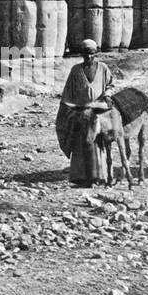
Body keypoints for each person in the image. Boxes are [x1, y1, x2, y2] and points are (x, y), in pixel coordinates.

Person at [55, 38, 115, 186]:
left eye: (91, 54)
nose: (88, 57)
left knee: (96, 143)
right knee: (81, 144)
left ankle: (97, 177)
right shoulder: (76, 70)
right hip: (81, 113)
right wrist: (69, 109)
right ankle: (80, 177)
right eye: (85, 54)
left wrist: (107, 95)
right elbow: (68, 92)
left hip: (98, 112)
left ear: (96, 54)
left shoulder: (103, 68)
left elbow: (110, 85)